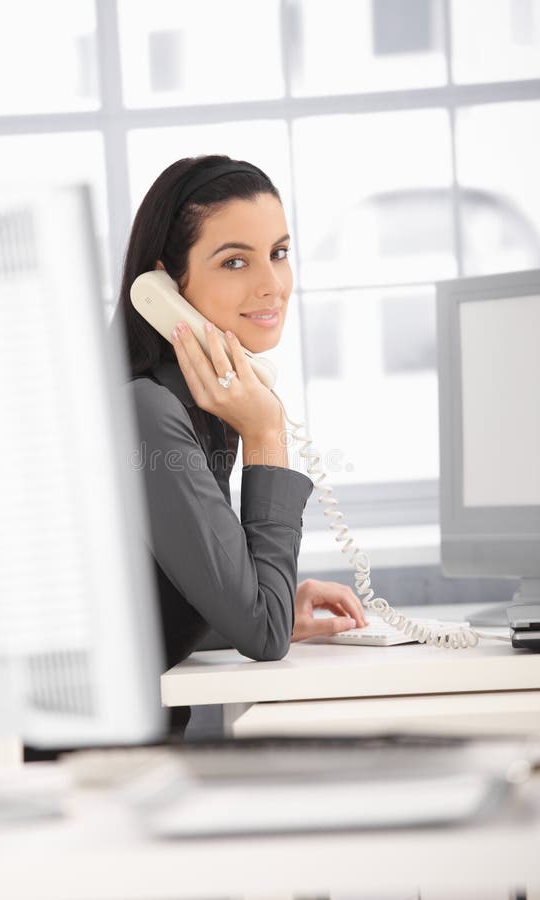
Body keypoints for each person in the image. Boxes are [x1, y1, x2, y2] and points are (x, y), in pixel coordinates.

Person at [112, 155, 367, 731]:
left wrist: (263, 604)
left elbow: (148, 604)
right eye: (234, 261)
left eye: (279, 253)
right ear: (162, 286)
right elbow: (265, 637)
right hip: (86, 775)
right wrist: (265, 434)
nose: (271, 285)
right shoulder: (147, 411)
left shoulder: (198, 405)